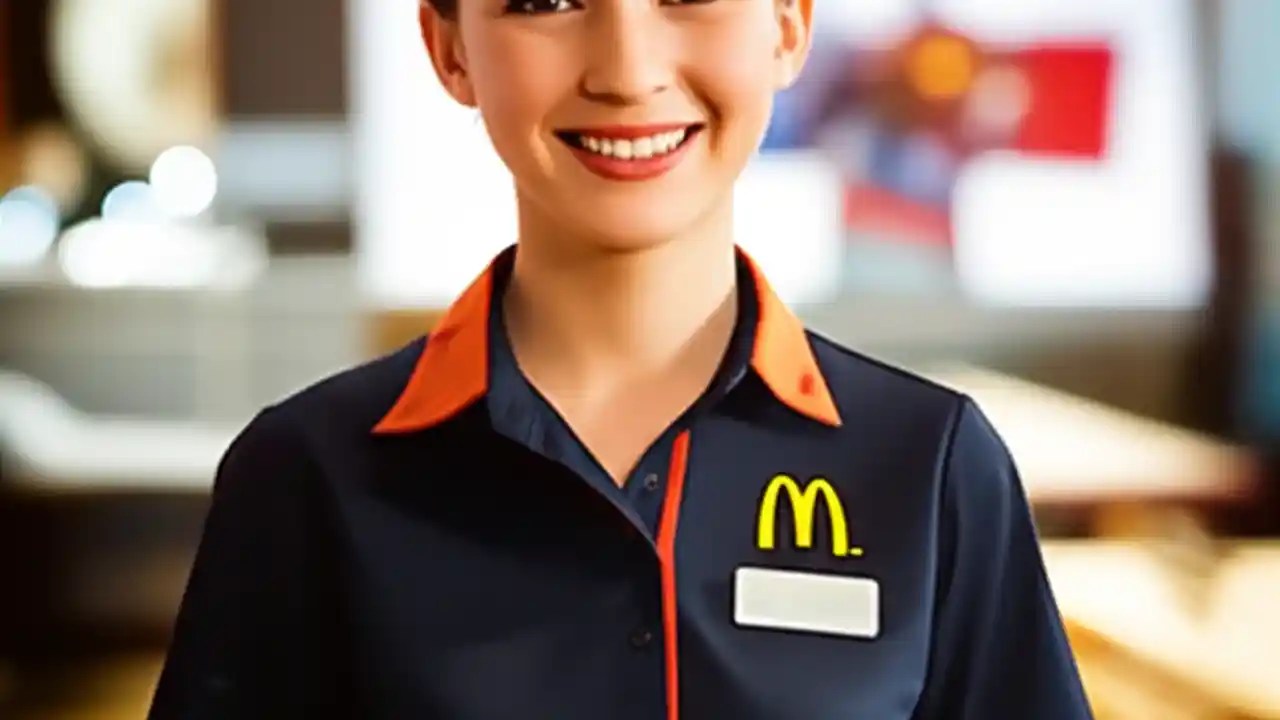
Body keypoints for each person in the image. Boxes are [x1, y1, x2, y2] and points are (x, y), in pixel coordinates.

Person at [148, 0, 1094, 718]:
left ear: (790, 24)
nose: (628, 68)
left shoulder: (930, 467)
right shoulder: (308, 474)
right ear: (448, 47)